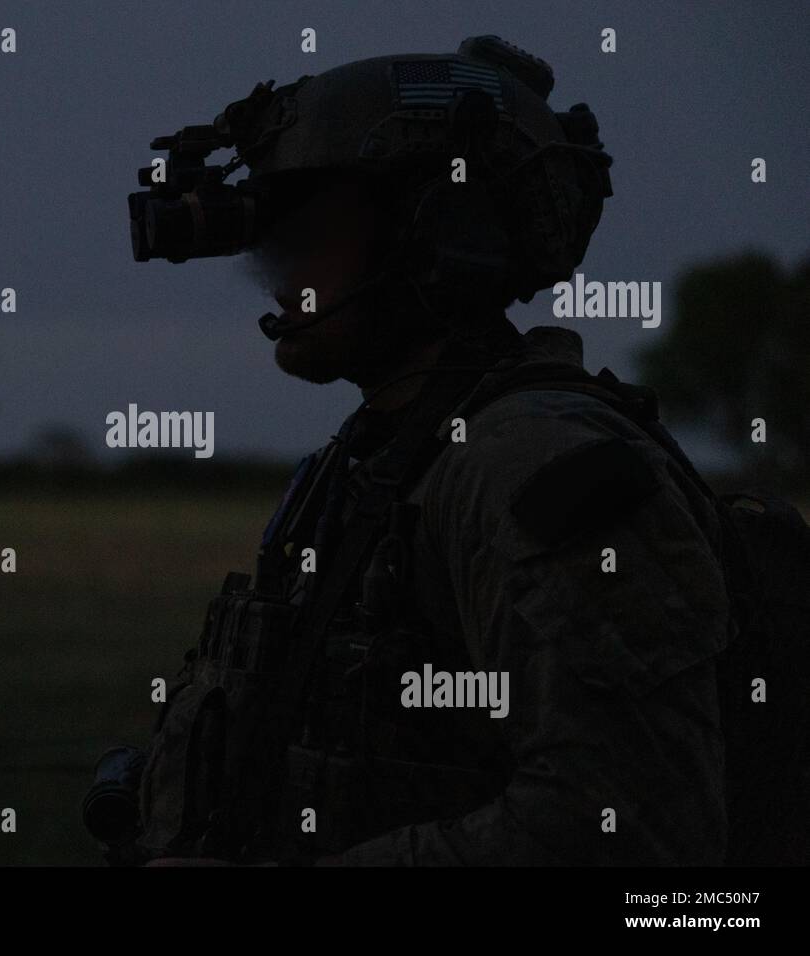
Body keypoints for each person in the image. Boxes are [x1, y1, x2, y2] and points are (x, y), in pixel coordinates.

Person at [100, 36, 733, 866]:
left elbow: (630, 831)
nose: (276, 266)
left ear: (439, 232)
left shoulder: (530, 464)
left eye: (307, 227)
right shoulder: (381, 460)